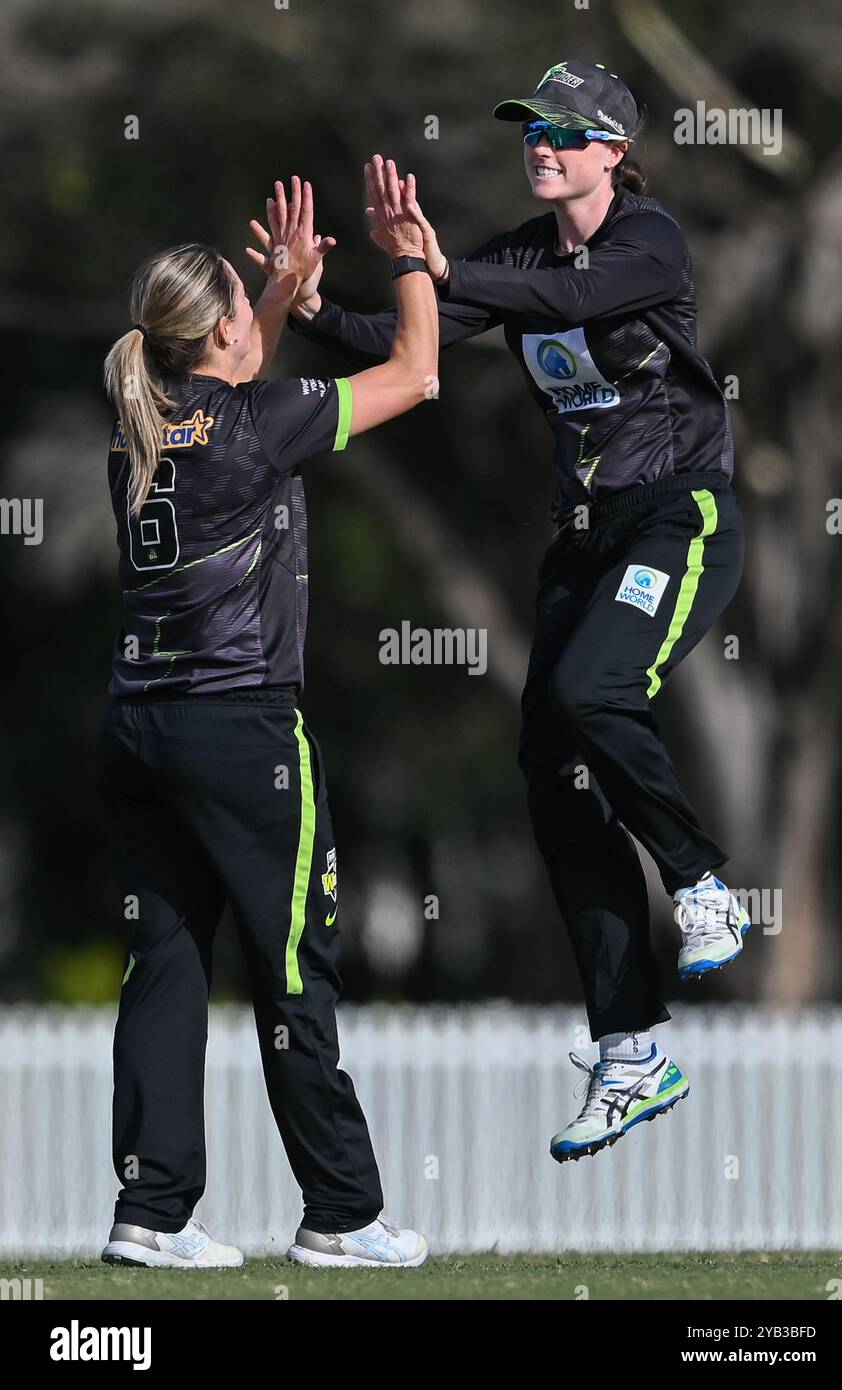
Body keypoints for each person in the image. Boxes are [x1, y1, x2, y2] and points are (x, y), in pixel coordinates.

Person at [290, 61, 748, 1163]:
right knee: (552, 772)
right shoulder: (508, 256)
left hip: (671, 519)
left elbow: (577, 300)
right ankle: (628, 1049)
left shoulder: (650, 242)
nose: (538, 143)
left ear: (609, 151)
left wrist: (443, 267)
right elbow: (409, 342)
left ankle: (700, 883)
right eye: (529, 127)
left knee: (596, 692)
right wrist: (309, 306)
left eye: (562, 130)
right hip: (582, 539)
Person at [98, 159, 437, 1268]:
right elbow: (417, 371)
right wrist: (404, 253)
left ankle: (150, 1215)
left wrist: (280, 290)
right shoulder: (252, 424)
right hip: (242, 731)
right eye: (245, 306)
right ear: (224, 333)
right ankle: (339, 1212)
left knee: (168, 963)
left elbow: (236, 404)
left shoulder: (138, 431)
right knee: (294, 962)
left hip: (139, 728)